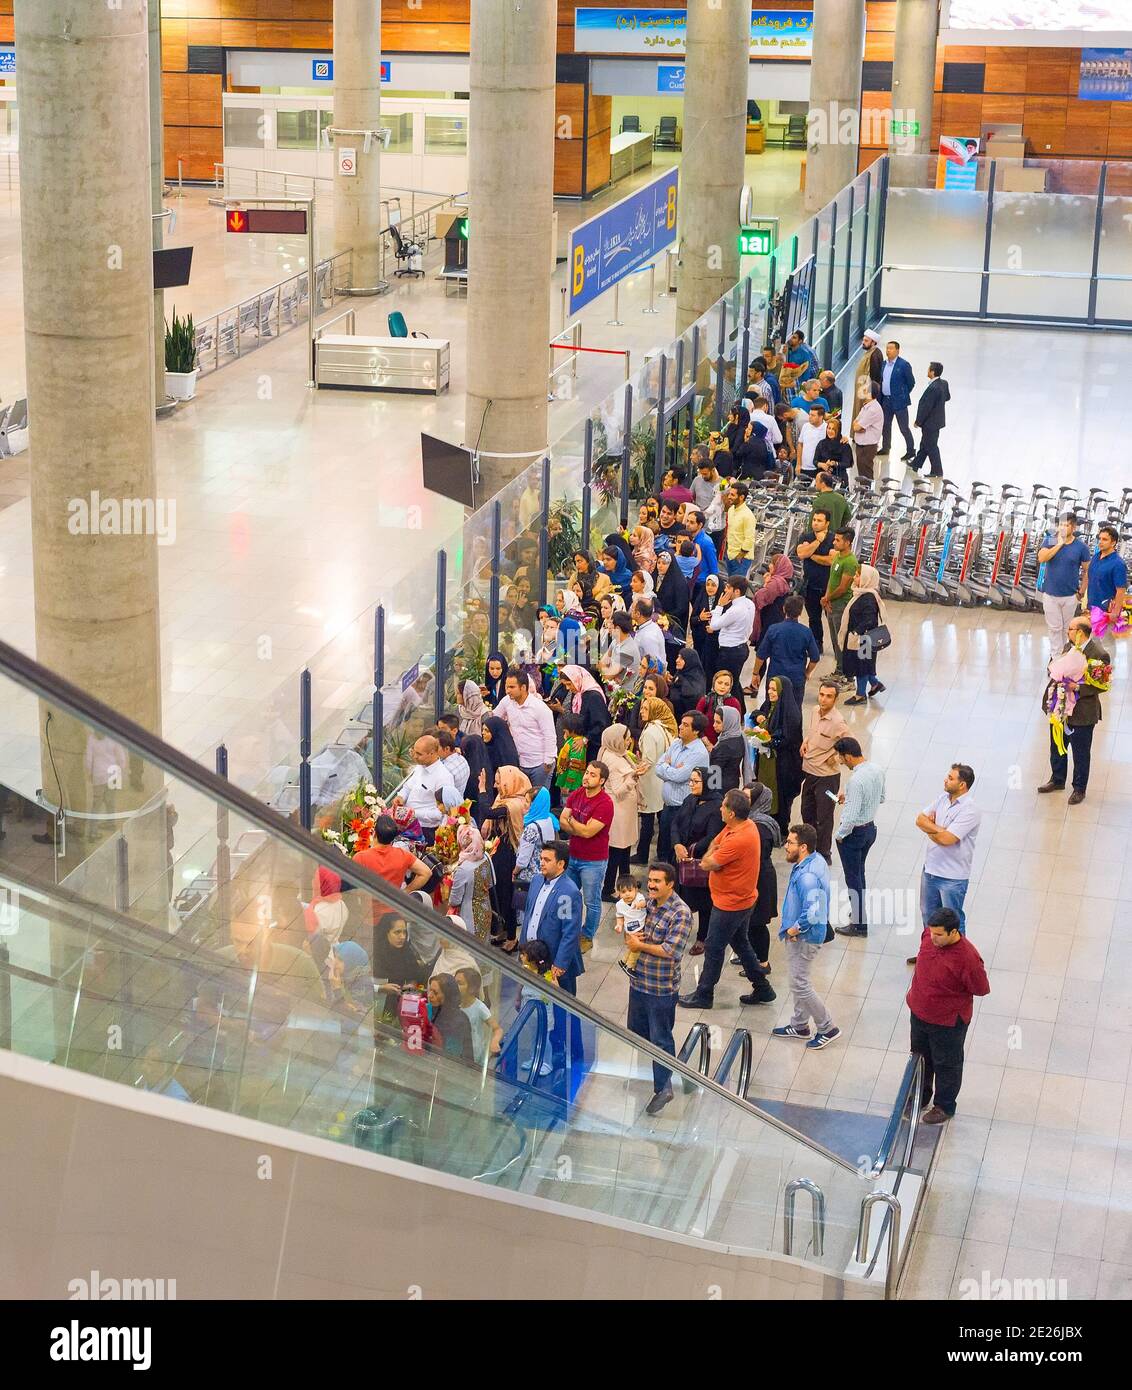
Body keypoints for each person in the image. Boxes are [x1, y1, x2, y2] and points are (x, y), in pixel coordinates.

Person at [678, 788, 771, 1010]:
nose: (720, 808)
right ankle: (762, 987)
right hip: (740, 899)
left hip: (731, 903)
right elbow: (715, 845)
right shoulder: (739, 826)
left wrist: (710, 856)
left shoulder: (740, 837)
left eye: (724, 806)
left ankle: (704, 993)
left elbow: (707, 863)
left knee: (714, 946)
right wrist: (713, 852)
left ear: (731, 813)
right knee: (741, 942)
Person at [907, 907, 990, 1123]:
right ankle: (919, 1096)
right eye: (932, 933)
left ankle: (944, 1106)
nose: (933, 938)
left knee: (947, 1063)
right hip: (919, 1013)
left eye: (939, 935)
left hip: (948, 1022)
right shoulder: (928, 936)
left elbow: (981, 988)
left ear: (954, 932)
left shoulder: (968, 958)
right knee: (920, 1058)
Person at [624, 861, 694, 1116]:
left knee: (661, 1039)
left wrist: (639, 947)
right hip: (639, 981)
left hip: (661, 989)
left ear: (671, 884)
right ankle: (668, 1072)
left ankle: (664, 1087)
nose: (651, 885)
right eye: (650, 880)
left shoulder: (680, 913)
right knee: (636, 1030)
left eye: (657, 881)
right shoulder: (648, 904)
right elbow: (632, 931)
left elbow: (671, 951)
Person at [772, 824, 840, 1048]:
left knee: (799, 983)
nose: (785, 846)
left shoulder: (807, 876)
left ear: (803, 847)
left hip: (805, 936)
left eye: (790, 842)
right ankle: (800, 1025)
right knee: (798, 979)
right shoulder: (814, 860)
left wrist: (794, 929)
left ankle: (827, 1027)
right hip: (808, 933)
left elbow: (814, 910)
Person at [1038, 614, 1111, 804]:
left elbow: (1102, 685)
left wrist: (1078, 687)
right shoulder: (1069, 647)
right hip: (1061, 708)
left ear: (1080, 632)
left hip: (1083, 712)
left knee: (1080, 752)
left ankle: (1079, 788)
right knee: (1057, 746)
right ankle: (1057, 779)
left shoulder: (1099, 654)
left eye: (1070, 629)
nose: (1067, 632)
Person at [914, 763, 981, 941]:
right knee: (928, 916)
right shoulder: (942, 799)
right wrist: (938, 829)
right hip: (930, 871)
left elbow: (947, 840)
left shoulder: (970, 809)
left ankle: (958, 961)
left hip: (953, 877)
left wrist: (931, 829)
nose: (945, 779)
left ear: (962, 785)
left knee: (954, 922)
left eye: (950, 778)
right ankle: (929, 954)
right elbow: (920, 819)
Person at [832, 736, 885, 937]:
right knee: (860, 874)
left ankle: (859, 924)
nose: (839, 760)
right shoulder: (877, 770)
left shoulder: (855, 780)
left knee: (853, 878)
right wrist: (855, 799)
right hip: (870, 829)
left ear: (847, 756)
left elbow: (851, 817)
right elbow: (881, 797)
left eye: (840, 756)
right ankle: (859, 912)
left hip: (854, 835)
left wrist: (840, 835)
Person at [559, 761, 616, 952]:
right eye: (586, 773)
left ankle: (587, 935)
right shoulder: (576, 794)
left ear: (602, 780)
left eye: (592, 775)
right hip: (572, 855)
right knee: (567, 895)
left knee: (591, 901)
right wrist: (577, 826)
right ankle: (565, 929)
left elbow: (587, 832)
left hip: (593, 861)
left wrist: (573, 822)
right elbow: (562, 822)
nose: (586, 777)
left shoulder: (605, 803)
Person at [669, 765, 724, 951]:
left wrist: (690, 851)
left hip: (700, 861)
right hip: (680, 857)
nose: (691, 784)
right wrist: (677, 845)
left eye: (695, 781)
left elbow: (712, 836)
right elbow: (675, 823)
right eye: (690, 781)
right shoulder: (690, 799)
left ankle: (703, 938)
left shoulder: (716, 806)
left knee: (703, 902)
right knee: (679, 894)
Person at [521, 840, 585, 993]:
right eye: (541, 858)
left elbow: (570, 932)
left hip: (553, 960)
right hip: (530, 957)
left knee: (561, 1009)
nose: (541, 863)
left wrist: (560, 963)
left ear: (561, 864)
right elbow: (529, 914)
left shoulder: (568, 892)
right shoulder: (536, 880)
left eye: (547, 860)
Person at [800, 680, 850, 863]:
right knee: (807, 812)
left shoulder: (838, 722)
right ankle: (809, 848)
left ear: (835, 699)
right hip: (810, 772)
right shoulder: (814, 711)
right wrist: (806, 741)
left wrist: (836, 758)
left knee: (824, 817)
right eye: (821, 695)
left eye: (829, 696)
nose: (823, 699)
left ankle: (824, 853)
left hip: (828, 779)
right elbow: (813, 732)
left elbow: (851, 745)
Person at [654, 711, 712, 862]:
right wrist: (670, 768)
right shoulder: (676, 743)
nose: (680, 727)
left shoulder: (698, 752)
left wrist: (667, 766)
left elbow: (679, 776)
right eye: (681, 723)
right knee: (663, 846)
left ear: (696, 731)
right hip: (667, 806)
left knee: (675, 851)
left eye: (685, 725)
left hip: (682, 808)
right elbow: (657, 767)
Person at [740, 782, 779, 1003]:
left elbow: (757, 856)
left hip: (760, 879)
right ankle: (752, 956)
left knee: (758, 922)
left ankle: (762, 963)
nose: (744, 801)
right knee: (749, 922)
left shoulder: (761, 825)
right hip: (754, 875)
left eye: (747, 798)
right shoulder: (751, 821)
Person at [354, 814, 434, 921]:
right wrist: (405, 891)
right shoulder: (402, 855)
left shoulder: (360, 858)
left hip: (369, 915)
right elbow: (426, 872)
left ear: (374, 834)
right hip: (394, 913)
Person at [753, 674, 805, 837]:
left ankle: (780, 831)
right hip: (767, 762)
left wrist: (768, 739)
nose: (770, 692)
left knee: (781, 799)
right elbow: (757, 713)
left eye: (774, 690)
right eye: (769, 688)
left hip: (783, 766)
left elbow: (787, 738)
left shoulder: (791, 714)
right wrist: (759, 718)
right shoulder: (770, 706)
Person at [491, 668, 557, 790]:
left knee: (537, 801)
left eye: (512, 687)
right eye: (506, 687)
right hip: (518, 763)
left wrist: (547, 762)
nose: (507, 691)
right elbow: (494, 718)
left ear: (523, 687)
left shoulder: (540, 708)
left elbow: (550, 735)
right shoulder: (507, 702)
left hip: (539, 764)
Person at [752, 593, 820, 708]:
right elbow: (815, 657)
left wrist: (755, 673)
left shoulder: (774, 629)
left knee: (772, 709)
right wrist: (806, 672)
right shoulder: (806, 632)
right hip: (796, 678)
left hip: (775, 677)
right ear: (800, 612)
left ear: (784, 609)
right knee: (794, 710)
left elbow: (761, 655)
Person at [598, 724, 642, 898]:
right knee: (616, 851)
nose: (629, 740)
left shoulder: (618, 753)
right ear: (616, 739)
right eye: (626, 738)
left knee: (624, 851)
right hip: (618, 811)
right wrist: (634, 777)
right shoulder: (613, 760)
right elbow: (619, 790)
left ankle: (626, 883)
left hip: (625, 811)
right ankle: (608, 889)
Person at [1037, 511, 1090, 649]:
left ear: (1074, 527)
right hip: (1050, 594)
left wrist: (1081, 592)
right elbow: (1042, 558)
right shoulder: (1050, 540)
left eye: (1066, 525)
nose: (1062, 528)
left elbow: (1087, 571)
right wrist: (1059, 544)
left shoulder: (1081, 547)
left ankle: (1066, 655)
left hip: (1070, 596)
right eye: (1060, 524)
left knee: (1068, 629)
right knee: (1054, 629)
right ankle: (1056, 658)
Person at [634, 695, 677, 863]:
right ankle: (662, 852)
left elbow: (648, 761)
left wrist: (634, 767)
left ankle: (642, 854)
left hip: (651, 780)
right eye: (642, 708)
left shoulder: (651, 731)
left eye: (646, 709)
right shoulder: (664, 727)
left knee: (647, 820)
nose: (641, 712)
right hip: (662, 779)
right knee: (662, 819)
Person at [393, 735, 459, 840]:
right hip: (407, 824)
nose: (414, 756)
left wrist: (412, 813)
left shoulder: (443, 777)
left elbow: (441, 814)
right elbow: (408, 787)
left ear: (432, 753)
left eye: (419, 754)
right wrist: (401, 797)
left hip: (424, 830)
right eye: (414, 752)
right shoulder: (420, 767)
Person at [839, 564, 889, 705]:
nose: (855, 577)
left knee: (861, 666)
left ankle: (860, 695)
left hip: (863, 640)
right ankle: (875, 684)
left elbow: (869, 620)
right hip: (862, 638)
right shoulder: (862, 593)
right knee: (865, 664)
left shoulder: (868, 598)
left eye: (857, 575)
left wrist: (856, 632)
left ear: (866, 578)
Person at [514, 783, 558, 921]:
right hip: (544, 872)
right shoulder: (549, 819)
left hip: (529, 876)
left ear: (536, 804)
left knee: (525, 910)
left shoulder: (532, 827)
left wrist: (514, 871)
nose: (524, 804)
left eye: (527, 801)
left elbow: (523, 859)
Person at [821, 527, 860, 683]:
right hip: (831, 603)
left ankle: (845, 672)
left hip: (841, 606)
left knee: (841, 639)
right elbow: (832, 580)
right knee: (834, 638)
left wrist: (828, 598)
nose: (834, 542)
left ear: (848, 542)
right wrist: (826, 597)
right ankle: (838, 669)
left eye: (838, 540)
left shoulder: (850, 561)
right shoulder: (837, 557)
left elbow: (843, 587)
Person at [446, 822, 494, 942]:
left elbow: (455, 900)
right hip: (486, 908)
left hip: (469, 915)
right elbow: (492, 882)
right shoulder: (486, 856)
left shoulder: (463, 869)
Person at [795, 508, 833, 656]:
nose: (815, 523)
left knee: (833, 618)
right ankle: (817, 644)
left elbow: (832, 560)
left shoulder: (833, 538)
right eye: (814, 520)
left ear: (827, 523)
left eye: (819, 521)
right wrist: (817, 542)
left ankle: (839, 647)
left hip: (829, 586)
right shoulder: (806, 536)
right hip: (810, 585)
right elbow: (801, 553)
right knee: (814, 618)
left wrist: (812, 555)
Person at [707, 574, 756, 688]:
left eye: (728, 588)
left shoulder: (735, 610)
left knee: (726, 685)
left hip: (730, 652)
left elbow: (714, 625)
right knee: (734, 684)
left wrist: (719, 606)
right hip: (741, 647)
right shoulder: (749, 603)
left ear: (737, 591)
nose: (725, 590)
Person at [557, 664, 610, 760]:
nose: (568, 688)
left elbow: (601, 724)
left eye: (569, 684)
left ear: (577, 679)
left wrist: (585, 739)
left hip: (593, 745)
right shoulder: (578, 693)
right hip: (580, 742)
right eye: (565, 685)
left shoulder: (593, 696)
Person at [454, 966, 503, 1065]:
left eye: (459, 983)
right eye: (454, 982)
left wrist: (494, 1042)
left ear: (472, 988)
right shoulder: (452, 1004)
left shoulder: (479, 1007)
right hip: (455, 1052)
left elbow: (497, 1029)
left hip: (474, 1056)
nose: (455, 986)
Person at [1086, 523, 1128, 637]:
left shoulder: (1118, 564)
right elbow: (1091, 579)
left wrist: (1115, 612)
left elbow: (1121, 590)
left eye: (1105, 539)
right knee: (1092, 642)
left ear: (1113, 543)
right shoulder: (1096, 557)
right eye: (1100, 538)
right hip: (1092, 606)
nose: (1100, 541)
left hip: (1106, 611)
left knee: (1105, 644)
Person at [878, 339, 916, 461]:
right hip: (886, 400)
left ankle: (910, 450)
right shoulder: (884, 364)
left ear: (897, 350)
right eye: (887, 348)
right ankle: (886, 447)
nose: (888, 350)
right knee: (885, 425)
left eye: (891, 348)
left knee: (903, 427)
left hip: (899, 402)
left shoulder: (904, 365)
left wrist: (902, 394)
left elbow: (911, 382)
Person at [426, 973, 476, 1065]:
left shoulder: (460, 1020)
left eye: (435, 993)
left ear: (448, 995)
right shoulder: (424, 1010)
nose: (429, 995)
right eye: (430, 990)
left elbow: (467, 1054)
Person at [750, 550, 795, 650]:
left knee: (762, 649)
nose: (769, 565)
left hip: (769, 619)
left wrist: (765, 584)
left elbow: (761, 597)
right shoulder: (784, 581)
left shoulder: (776, 582)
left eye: (772, 563)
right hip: (776, 617)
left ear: (779, 566)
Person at [910, 361, 949, 476]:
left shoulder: (933, 388)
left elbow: (926, 407)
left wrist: (918, 421)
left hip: (930, 422)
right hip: (937, 420)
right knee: (925, 443)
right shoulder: (944, 383)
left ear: (932, 372)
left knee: (931, 446)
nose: (927, 371)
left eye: (928, 369)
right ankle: (916, 464)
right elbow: (947, 397)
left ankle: (937, 470)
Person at [695, 667, 743, 746]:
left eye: (726, 684)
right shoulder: (705, 700)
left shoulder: (734, 703)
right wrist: (705, 740)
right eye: (720, 683)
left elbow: (736, 727)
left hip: (725, 745)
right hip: (703, 743)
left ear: (730, 687)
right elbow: (696, 723)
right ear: (714, 683)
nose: (723, 687)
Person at [615, 873, 648, 976]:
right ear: (619, 893)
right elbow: (620, 916)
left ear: (636, 890)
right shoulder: (619, 904)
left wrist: (639, 905)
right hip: (629, 931)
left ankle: (624, 961)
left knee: (633, 947)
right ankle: (630, 967)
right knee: (635, 948)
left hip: (639, 928)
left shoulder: (638, 897)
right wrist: (619, 925)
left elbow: (644, 902)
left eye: (630, 891)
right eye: (623, 892)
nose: (627, 894)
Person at [851, 381, 884, 483]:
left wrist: (858, 426)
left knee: (866, 474)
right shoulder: (866, 406)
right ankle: (863, 492)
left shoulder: (873, 409)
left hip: (868, 447)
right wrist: (858, 426)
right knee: (861, 472)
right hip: (861, 445)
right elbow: (855, 424)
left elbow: (857, 427)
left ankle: (868, 495)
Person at [654, 547, 692, 636]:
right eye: (658, 562)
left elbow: (681, 607)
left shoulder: (679, 582)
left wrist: (665, 617)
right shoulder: (655, 577)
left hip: (673, 623)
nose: (660, 566)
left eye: (664, 563)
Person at [723, 481, 756, 578]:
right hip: (730, 555)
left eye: (732, 495)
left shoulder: (748, 515)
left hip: (742, 558)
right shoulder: (731, 510)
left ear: (741, 497)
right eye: (729, 493)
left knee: (736, 588)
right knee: (730, 585)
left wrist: (740, 556)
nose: (729, 497)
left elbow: (749, 539)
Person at [710, 706, 746, 793]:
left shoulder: (724, 746)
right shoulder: (739, 736)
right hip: (733, 783)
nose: (714, 725)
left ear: (728, 722)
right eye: (714, 721)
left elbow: (714, 775)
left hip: (720, 789)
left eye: (718, 722)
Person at [601, 611, 640, 691]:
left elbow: (607, 676)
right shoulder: (616, 640)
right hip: (612, 690)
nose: (608, 626)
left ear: (618, 628)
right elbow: (602, 662)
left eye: (611, 624)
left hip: (623, 696)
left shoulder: (627, 650)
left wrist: (608, 670)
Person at [554, 712, 588, 799]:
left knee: (568, 804)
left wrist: (568, 785)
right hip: (565, 781)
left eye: (565, 728)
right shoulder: (572, 740)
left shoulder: (576, 745)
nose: (563, 730)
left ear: (572, 730)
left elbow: (574, 768)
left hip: (571, 786)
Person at [668, 645, 707, 719]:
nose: (677, 660)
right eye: (678, 657)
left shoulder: (695, 680)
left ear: (689, 661)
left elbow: (691, 695)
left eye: (681, 658)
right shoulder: (680, 674)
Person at [812, 420, 853, 488]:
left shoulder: (844, 445)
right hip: (823, 480)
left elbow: (847, 463)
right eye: (829, 428)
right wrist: (822, 465)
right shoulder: (821, 443)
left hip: (839, 479)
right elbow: (815, 461)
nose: (830, 431)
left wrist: (835, 463)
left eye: (833, 429)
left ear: (838, 430)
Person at [683, 508, 720, 585]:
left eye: (692, 522)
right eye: (687, 521)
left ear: (700, 525)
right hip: (688, 579)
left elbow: (713, 567)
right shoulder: (685, 537)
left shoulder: (706, 542)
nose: (688, 524)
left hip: (700, 582)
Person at [631, 598, 668, 672]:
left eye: (632, 609)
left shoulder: (648, 637)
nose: (630, 611)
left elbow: (653, 666)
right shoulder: (649, 626)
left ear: (638, 614)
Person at [435, 728, 470, 801]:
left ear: (447, 749)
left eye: (436, 748)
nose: (433, 751)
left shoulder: (446, 770)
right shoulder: (461, 758)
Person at [794, 404, 828, 480]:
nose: (809, 417)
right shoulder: (805, 426)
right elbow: (800, 444)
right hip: (804, 468)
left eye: (813, 415)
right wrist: (798, 464)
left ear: (821, 416)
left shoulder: (827, 428)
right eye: (809, 414)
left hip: (819, 469)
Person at [857, 328, 884, 403]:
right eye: (863, 340)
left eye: (866, 341)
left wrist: (868, 393)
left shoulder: (874, 355)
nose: (863, 342)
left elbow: (874, 376)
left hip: (866, 392)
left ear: (873, 342)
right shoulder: (870, 352)